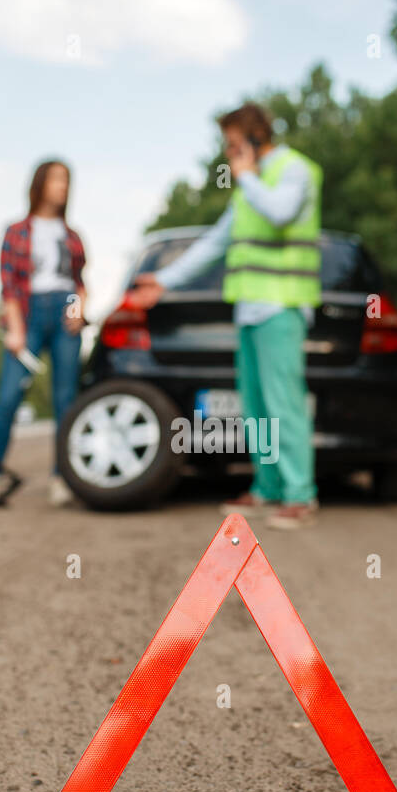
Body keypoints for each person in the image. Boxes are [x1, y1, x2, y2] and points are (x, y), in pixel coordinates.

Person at [129, 103, 322, 529]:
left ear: (254, 139)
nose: (228, 152)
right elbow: (215, 243)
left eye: (233, 142)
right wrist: (163, 281)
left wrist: (247, 175)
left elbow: (281, 213)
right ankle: (267, 487)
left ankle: (299, 495)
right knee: (255, 407)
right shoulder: (247, 190)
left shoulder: (294, 170)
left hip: (282, 305)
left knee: (283, 402)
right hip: (251, 310)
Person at [0, 159, 87, 506]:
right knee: (9, 395)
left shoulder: (72, 237)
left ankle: (61, 476)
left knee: (66, 400)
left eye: (66, 180)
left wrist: (78, 309)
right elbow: (8, 283)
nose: (62, 186)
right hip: (28, 312)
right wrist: (16, 327)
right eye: (55, 179)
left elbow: (80, 284)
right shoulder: (17, 231)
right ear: (40, 184)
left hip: (64, 312)